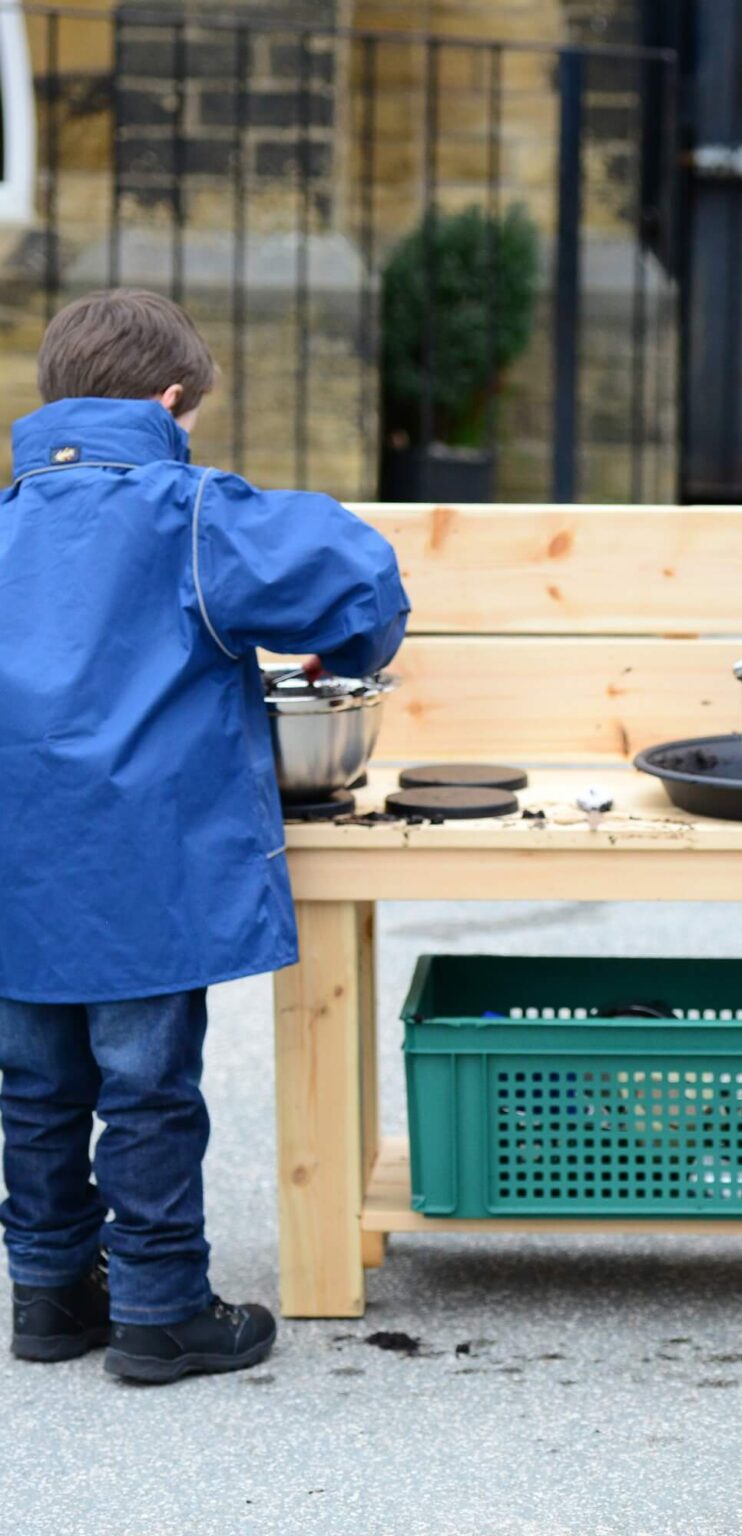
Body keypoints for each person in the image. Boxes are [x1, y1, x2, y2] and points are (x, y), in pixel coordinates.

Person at [0, 290, 409, 1382]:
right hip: (140, 873)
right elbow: (354, 574)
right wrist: (350, 647)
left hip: (14, 874)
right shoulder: (188, 513)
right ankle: (161, 1308)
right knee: (146, 1088)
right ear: (171, 402)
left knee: (34, 1088)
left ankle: (45, 1296)